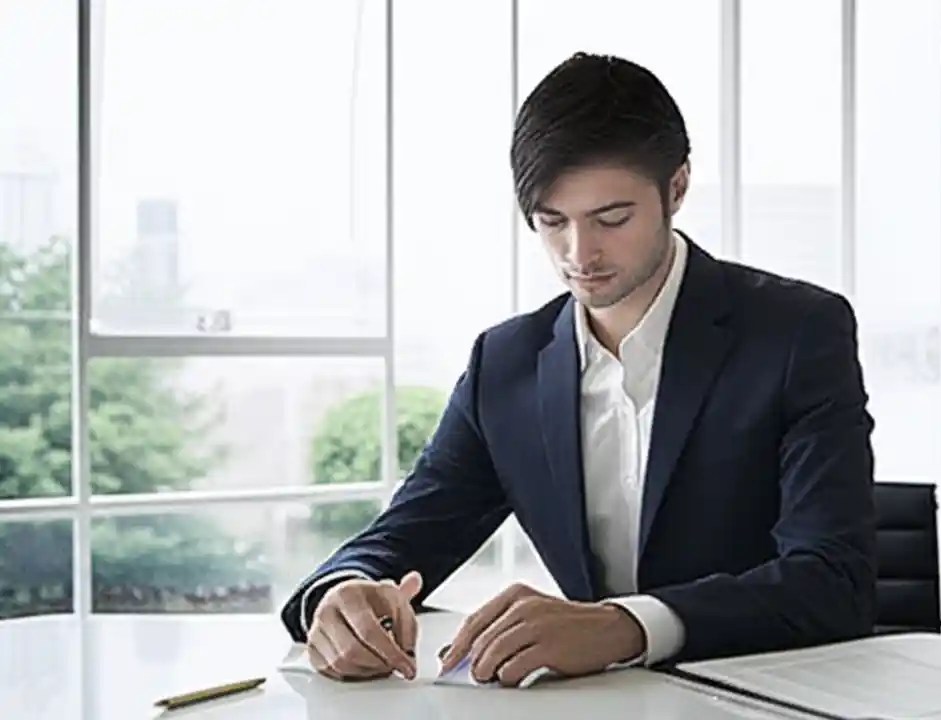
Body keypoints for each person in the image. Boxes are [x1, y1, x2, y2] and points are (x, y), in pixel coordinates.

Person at [280, 51, 877, 688]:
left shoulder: (796, 331)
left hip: (765, 695)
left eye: (612, 219)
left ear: (676, 188)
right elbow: (403, 537)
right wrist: (343, 594)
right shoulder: (505, 364)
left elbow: (832, 581)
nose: (579, 254)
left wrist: (624, 625)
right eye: (551, 221)